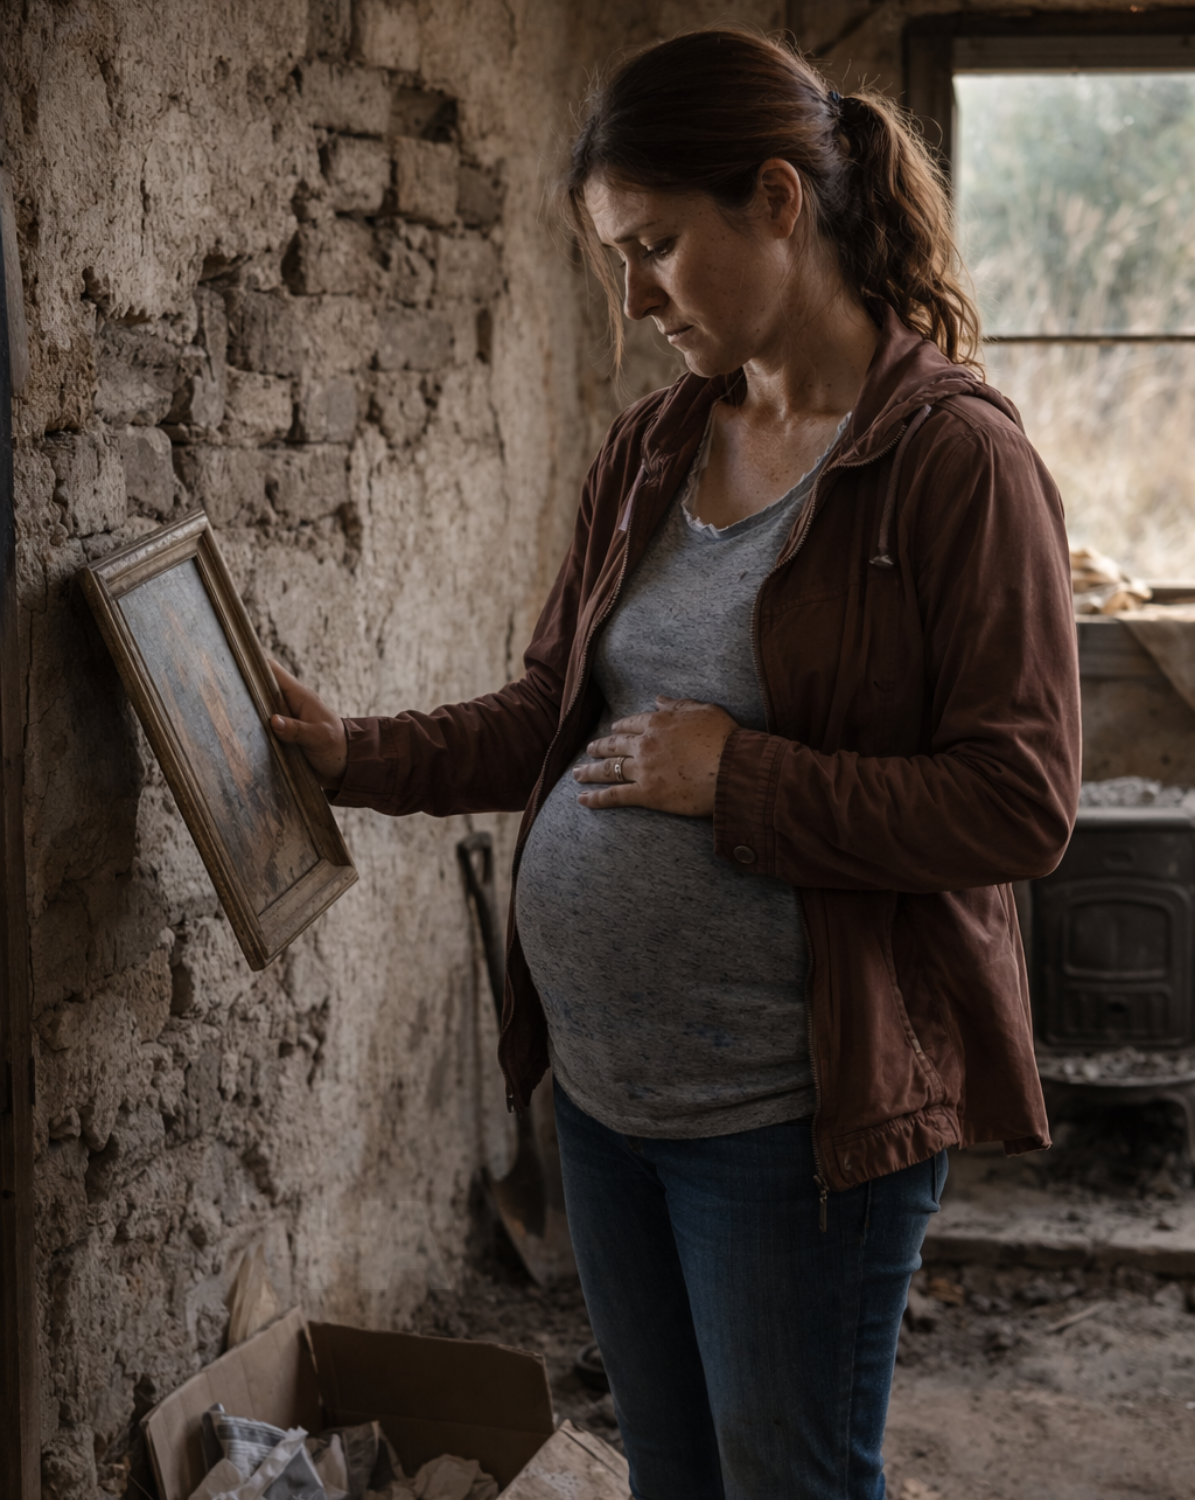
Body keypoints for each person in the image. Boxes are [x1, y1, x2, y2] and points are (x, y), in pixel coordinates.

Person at [270, 28, 1081, 1500]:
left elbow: (1021, 805)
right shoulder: (653, 445)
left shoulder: (958, 463)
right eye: (613, 258)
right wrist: (352, 756)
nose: (633, 301)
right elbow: (547, 713)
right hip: (604, 1104)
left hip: (795, 1126)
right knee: (677, 1483)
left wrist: (742, 777)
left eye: (655, 249)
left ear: (779, 201)